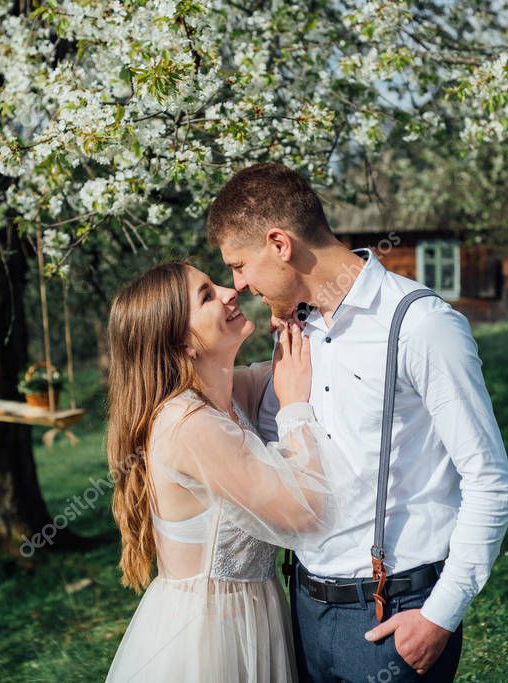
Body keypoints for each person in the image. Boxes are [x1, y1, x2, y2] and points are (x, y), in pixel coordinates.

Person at [207, 163, 508, 681]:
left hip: (393, 615)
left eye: (240, 264)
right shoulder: (293, 333)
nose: (238, 285)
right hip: (303, 608)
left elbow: (490, 482)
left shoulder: (421, 325)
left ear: (280, 244)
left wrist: (440, 615)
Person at [103, 260, 358, 682]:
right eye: (206, 295)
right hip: (210, 636)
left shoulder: (223, 390)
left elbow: (288, 367)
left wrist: (295, 311)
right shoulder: (187, 424)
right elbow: (305, 512)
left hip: (256, 613)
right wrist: (294, 409)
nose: (228, 291)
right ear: (183, 343)